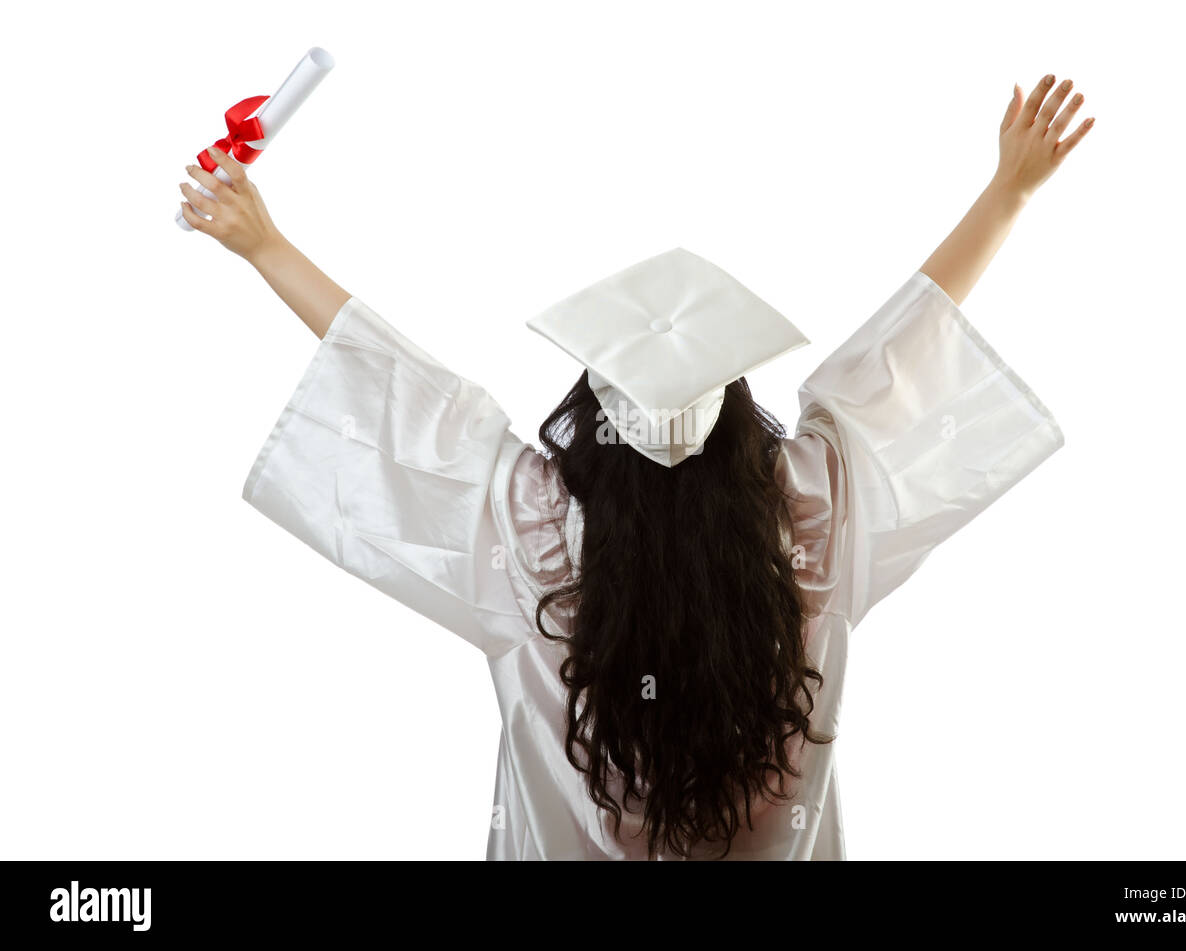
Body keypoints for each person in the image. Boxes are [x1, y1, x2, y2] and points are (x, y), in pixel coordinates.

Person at [180, 73, 1092, 860]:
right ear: (739, 412)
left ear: (586, 411)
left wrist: (261, 243)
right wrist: (1008, 192)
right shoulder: (810, 519)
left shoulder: (529, 533)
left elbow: (403, 396)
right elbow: (900, 360)